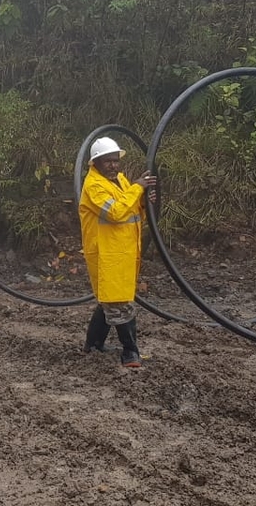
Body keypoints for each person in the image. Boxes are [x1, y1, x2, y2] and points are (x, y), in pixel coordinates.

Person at [79, 137, 157, 367]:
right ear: (96, 163)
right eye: (107, 161)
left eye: (115, 161)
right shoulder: (94, 187)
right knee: (120, 303)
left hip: (123, 252)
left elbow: (131, 214)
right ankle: (131, 353)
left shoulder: (121, 182)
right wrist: (137, 189)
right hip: (107, 255)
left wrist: (143, 203)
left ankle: (92, 345)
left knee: (110, 301)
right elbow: (115, 212)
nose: (113, 165)